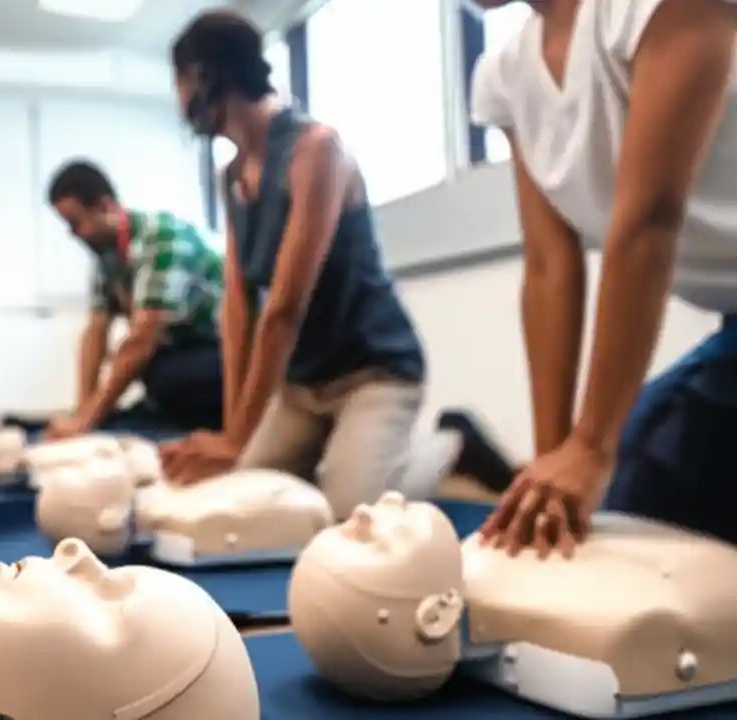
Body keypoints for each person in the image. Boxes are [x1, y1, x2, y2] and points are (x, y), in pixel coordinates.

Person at [470, 0, 737, 556]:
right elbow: (549, 264)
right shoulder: (506, 76)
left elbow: (649, 221)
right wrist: (553, 463)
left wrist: (592, 445)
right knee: (643, 481)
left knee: (646, 468)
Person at [162, 11, 428, 519]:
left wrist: (237, 440)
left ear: (202, 74)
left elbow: (284, 307)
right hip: (302, 387)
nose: (179, 99)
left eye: (179, 82)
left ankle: (450, 445)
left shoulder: (316, 149)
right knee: (245, 501)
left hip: (374, 373)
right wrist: (233, 434)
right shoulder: (232, 175)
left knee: (348, 514)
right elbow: (238, 306)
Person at [44, 160, 226, 439]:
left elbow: (143, 338)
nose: (74, 234)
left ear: (105, 206)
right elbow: (95, 332)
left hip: (225, 352)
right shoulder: (107, 258)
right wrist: (82, 411)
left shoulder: (162, 237)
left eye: (75, 223)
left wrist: (87, 420)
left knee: (159, 372)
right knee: (148, 369)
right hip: (185, 350)